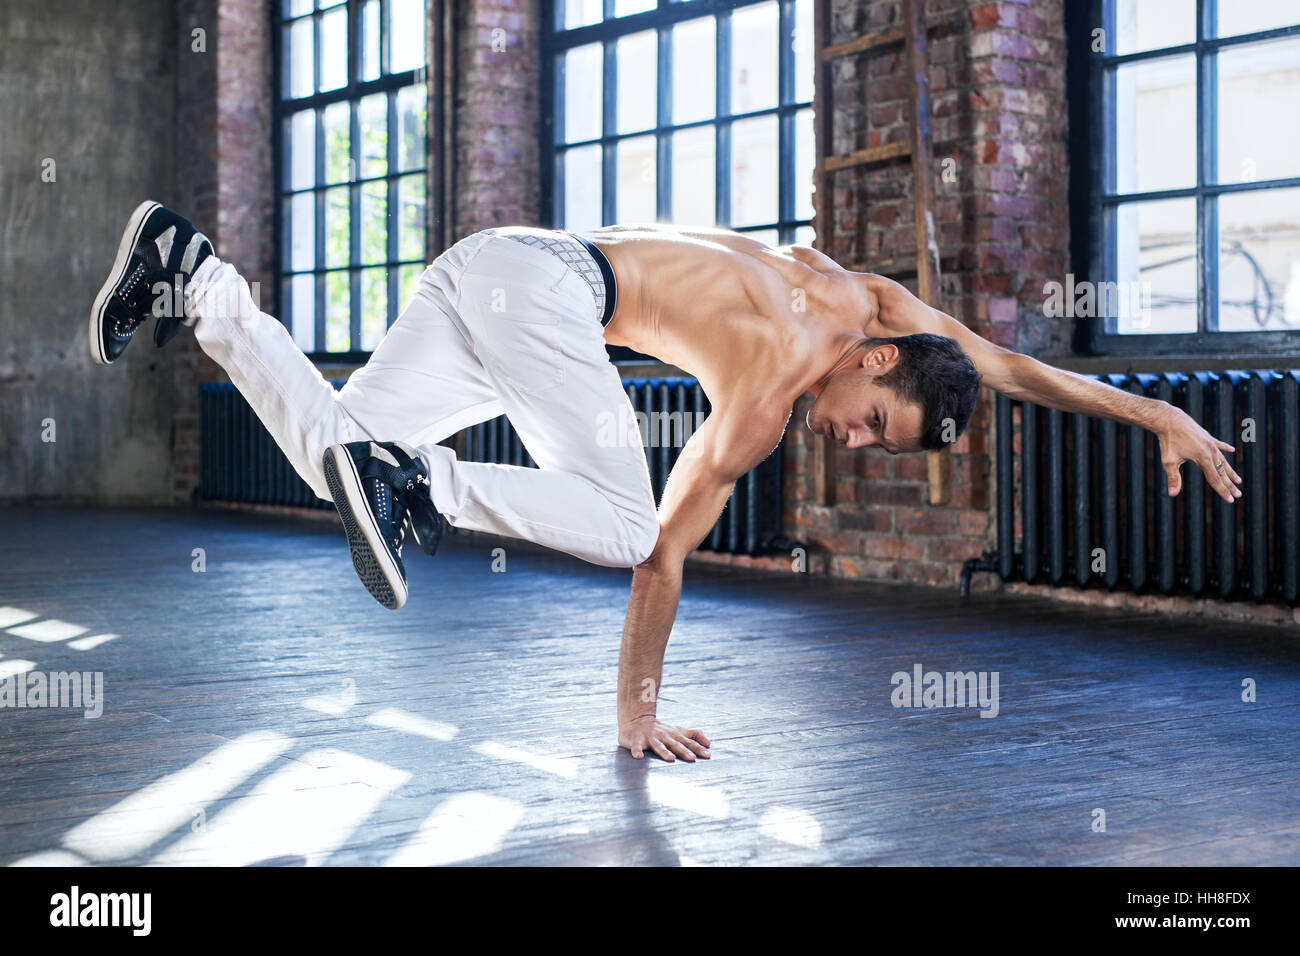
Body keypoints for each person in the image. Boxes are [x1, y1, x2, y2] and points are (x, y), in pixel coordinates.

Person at [91, 204, 1242, 762]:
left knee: (329, 450)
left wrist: (1149, 408)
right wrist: (634, 710)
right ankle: (422, 481)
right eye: (873, 425)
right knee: (616, 507)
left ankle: (196, 281)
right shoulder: (767, 392)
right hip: (543, 292)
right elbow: (655, 548)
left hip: (489, 269)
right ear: (877, 363)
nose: (852, 441)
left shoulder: (855, 293)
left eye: (876, 449)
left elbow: (1000, 364)